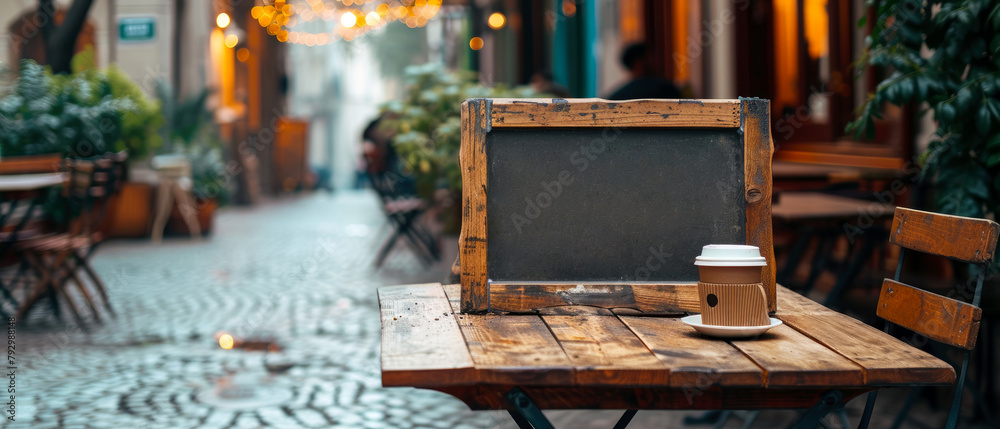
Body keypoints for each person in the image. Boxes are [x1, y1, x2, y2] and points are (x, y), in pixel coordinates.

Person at [605, 43, 683, 100]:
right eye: (650, 57)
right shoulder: (663, 88)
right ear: (638, 63)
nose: (654, 61)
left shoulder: (615, 97)